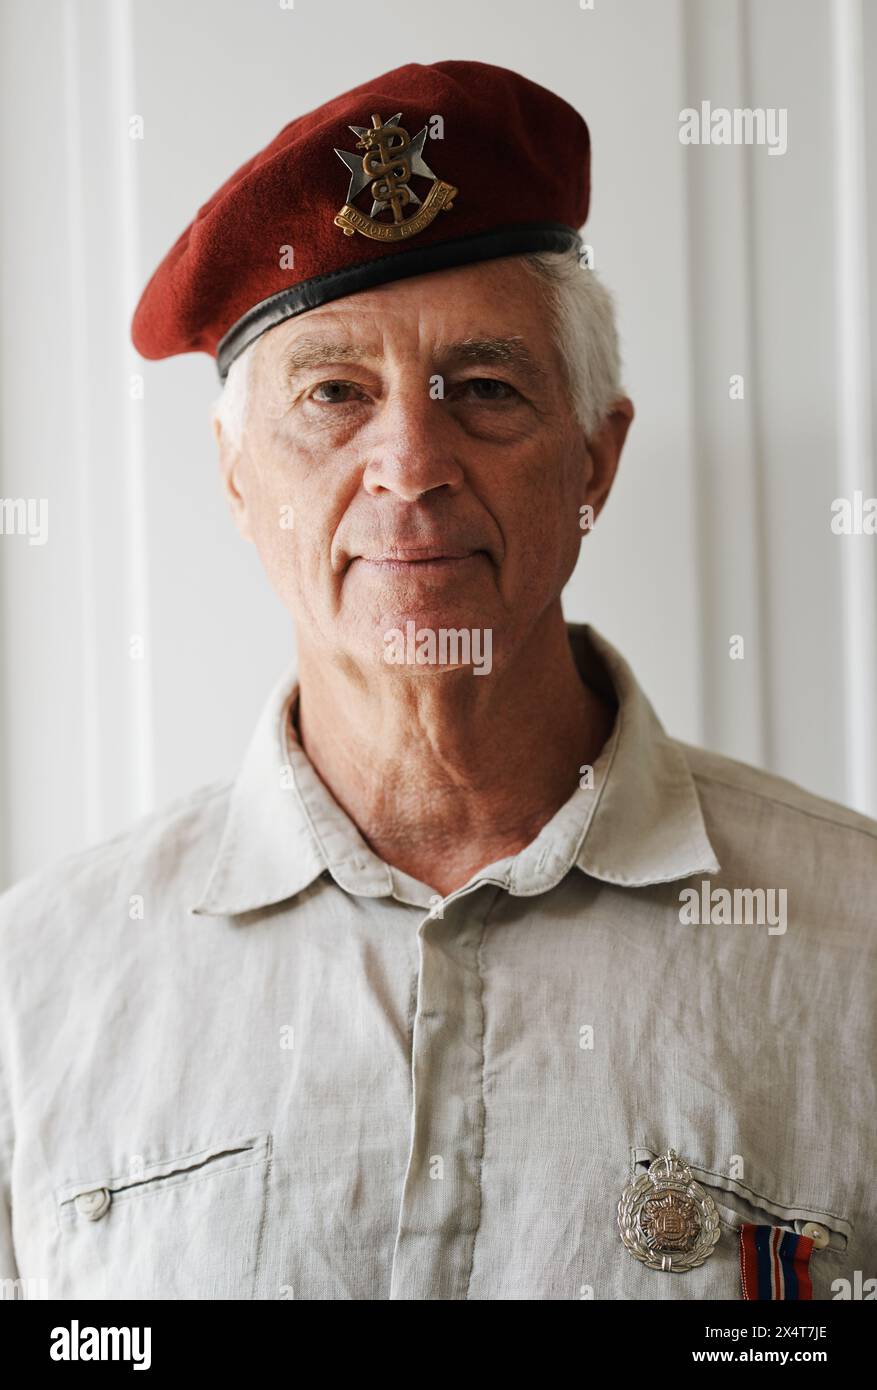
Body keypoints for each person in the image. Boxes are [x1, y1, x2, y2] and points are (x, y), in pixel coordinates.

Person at [0, 61, 873, 1302]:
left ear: (594, 459)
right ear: (238, 478)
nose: (409, 464)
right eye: (334, 395)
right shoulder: (37, 989)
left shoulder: (855, 944)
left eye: (484, 388)